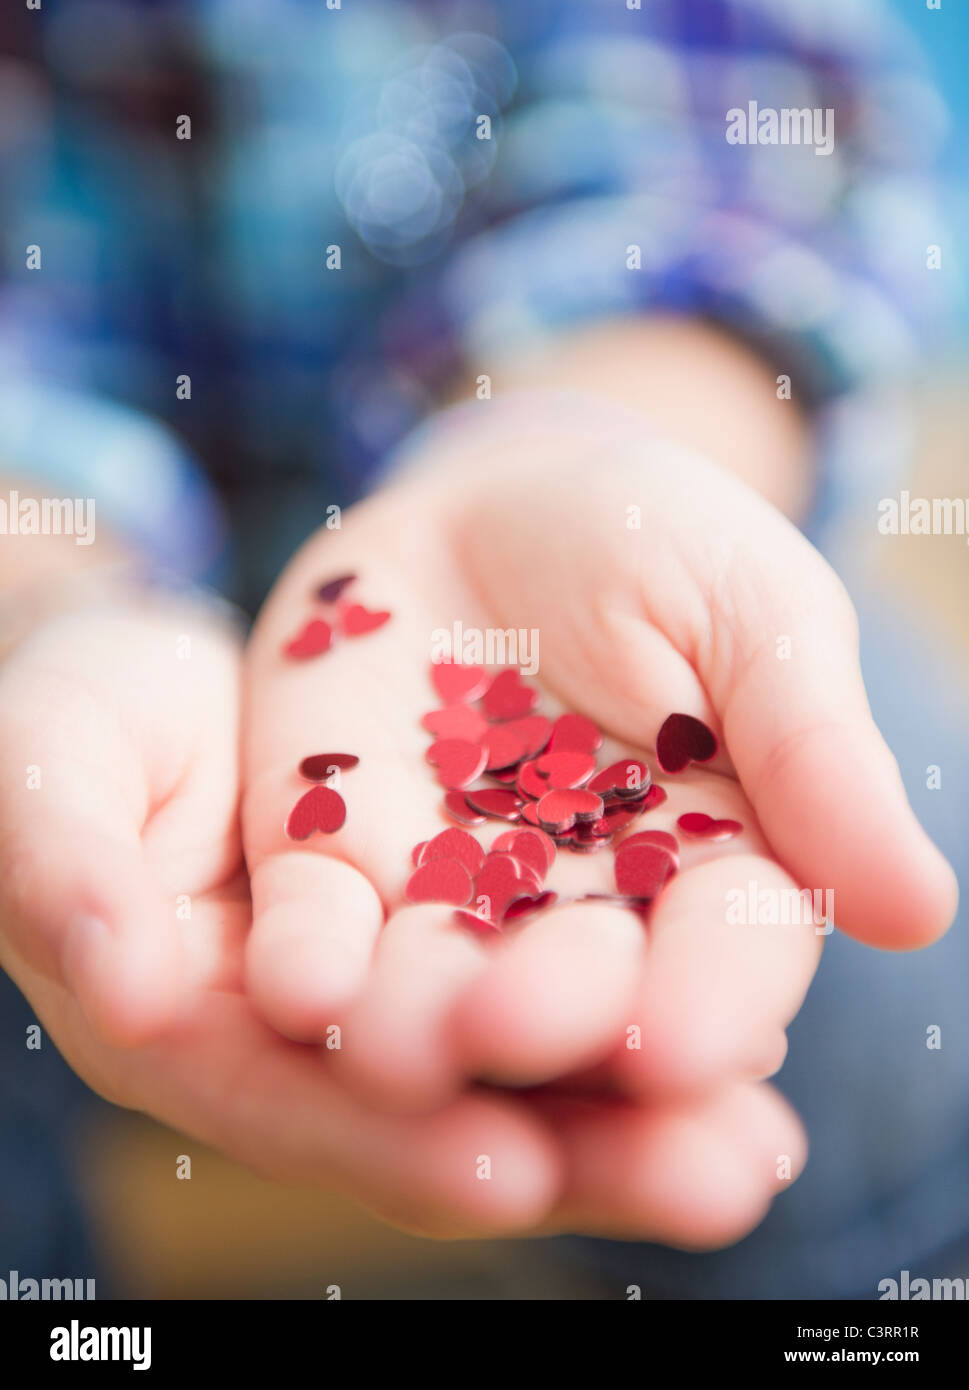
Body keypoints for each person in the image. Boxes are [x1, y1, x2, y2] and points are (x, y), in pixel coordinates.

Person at [0, 0, 963, 1298]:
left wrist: (575, 443)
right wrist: (46, 606)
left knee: (877, 976)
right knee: (49, 820)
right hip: (64, 606)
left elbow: (735, 124)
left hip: (596, 521)